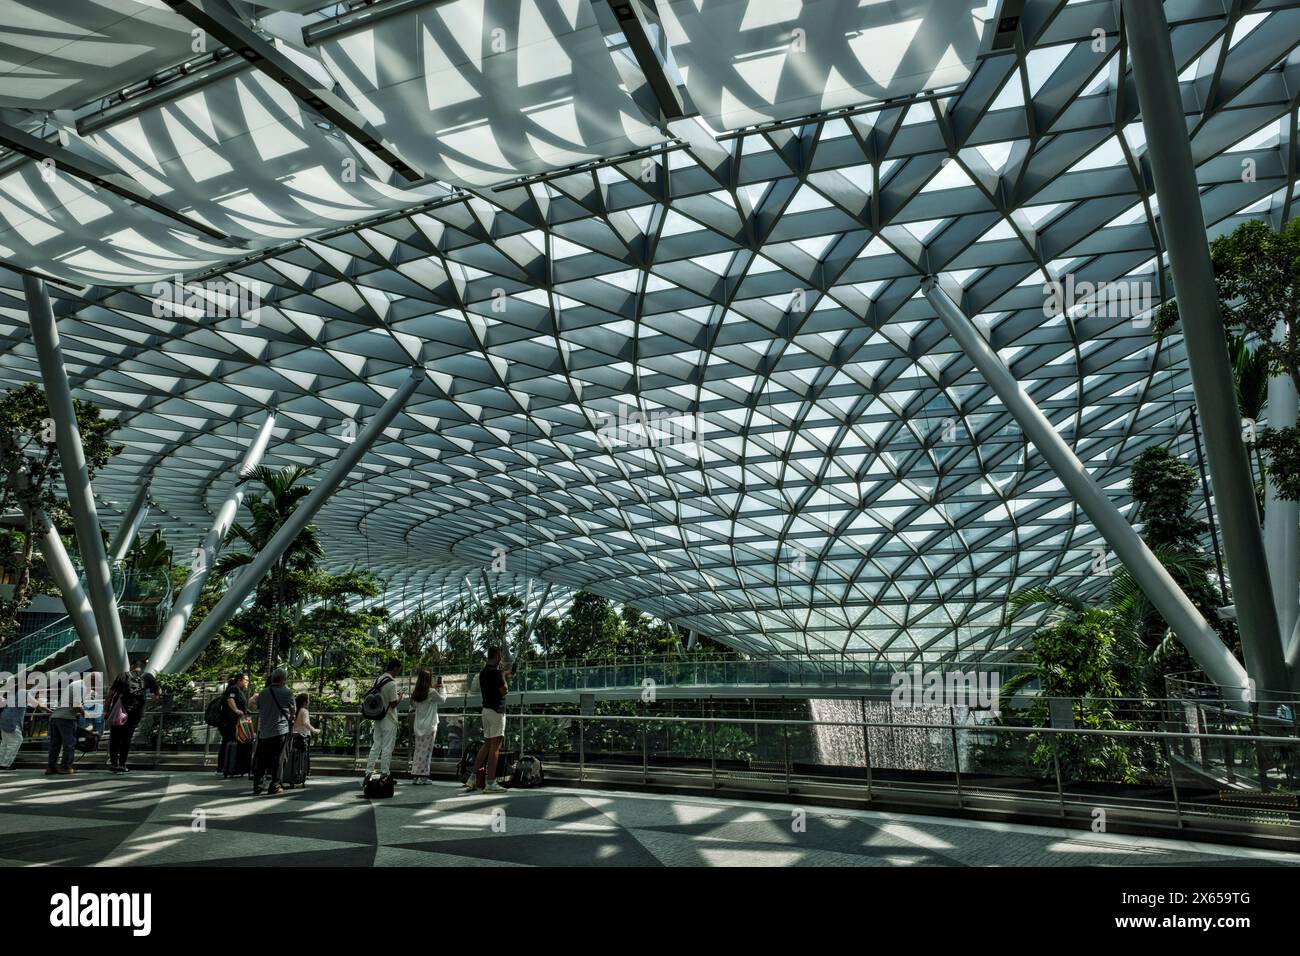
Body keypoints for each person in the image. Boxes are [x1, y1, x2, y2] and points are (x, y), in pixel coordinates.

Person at [463, 648, 510, 794]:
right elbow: (504, 690)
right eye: (500, 657)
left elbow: (494, 683)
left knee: (487, 745)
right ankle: (490, 782)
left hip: (486, 710)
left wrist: (504, 674)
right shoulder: (496, 673)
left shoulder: (483, 672)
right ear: (497, 656)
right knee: (495, 747)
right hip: (497, 711)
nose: (501, 660)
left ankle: (472, 777)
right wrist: (504, 675)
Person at [105, 657, 161, 773]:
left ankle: (114, 763)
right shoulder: (148, 676)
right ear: (142, 667)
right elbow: (157, 693)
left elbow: (110, 694)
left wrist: (106, 710)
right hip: (136, 712)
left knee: (115, 737)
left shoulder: (123, 675)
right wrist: (148, 699)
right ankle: (122, 764)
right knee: (127, 737)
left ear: (131, 666)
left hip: (119, 711)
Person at [250, 668, 295, 796]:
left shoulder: (263, 693)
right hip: (280, 731)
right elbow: (293, 711)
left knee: (261, 759)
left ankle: (258, 786)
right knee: (278, 759)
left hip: (264, 731)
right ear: (283, 679)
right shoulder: (287, 692)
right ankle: (275, 785)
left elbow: (255, 706)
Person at [363, 659, 402, 781]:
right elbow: (394, 703)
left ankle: (368, 771)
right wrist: (401, 696)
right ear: (395, 668)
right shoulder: (391, 683)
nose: (398, 672)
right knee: (387, 747)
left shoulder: (379, 679)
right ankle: (385, 773)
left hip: (378, 717)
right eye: (398, 670)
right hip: (389, 719)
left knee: (376, 745)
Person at [408, 669, 447, 785]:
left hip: (418, 726)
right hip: (429, 726)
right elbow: (442, 700)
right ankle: (422, 776)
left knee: (418, 751)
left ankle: (416, 775)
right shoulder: (431, 692)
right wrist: (443, 688)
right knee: (426, 752)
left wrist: (435, 688)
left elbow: (414, 705)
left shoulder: (416, 693)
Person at [0, 674, 46, 771]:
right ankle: (6, 764)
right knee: (17, 740)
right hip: (12, 720)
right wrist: (51, 711)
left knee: (5, 742)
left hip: (5, 717)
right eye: (31, 683)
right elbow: (37, 705)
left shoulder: (14, 690)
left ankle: (1, 762)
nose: (32, 685)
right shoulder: (23, 691)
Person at [46, 671, 86, 776]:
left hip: (55, 717)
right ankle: (65, 767)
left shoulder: (73, 684)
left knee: (55, 744)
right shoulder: (81, 686)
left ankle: (51, 767)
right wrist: (86, 714)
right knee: (69, 743)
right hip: (66, 718)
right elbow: (77, 706)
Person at [216, 673, 250, 778]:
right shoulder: (233, 690)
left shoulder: (239, 691)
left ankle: (232, 767)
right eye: (246, 680)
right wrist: (236, 710)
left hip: (235, 723)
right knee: (228, 742)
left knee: (232, 743)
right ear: (239, 680)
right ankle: (223, 767)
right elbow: (230, 700)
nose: (247, 682)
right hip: (230, 723)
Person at [286, 692, 319, 788]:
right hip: (303, 735)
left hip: (294, 735)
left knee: (294, 756)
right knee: (304, 756)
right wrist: (314, 730)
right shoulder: (304, 711)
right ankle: (303, 774)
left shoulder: (296, 710)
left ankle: (294, 773)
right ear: (305, 702)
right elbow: (305, 723)